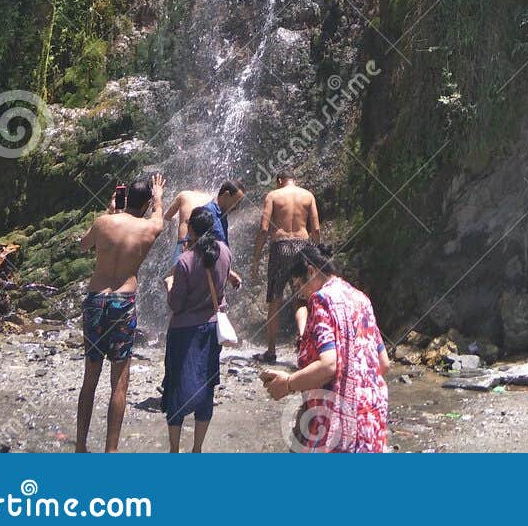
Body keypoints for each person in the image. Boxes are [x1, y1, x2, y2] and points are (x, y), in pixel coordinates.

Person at [261, 243, 389, 453]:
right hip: (371, 418)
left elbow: (329, 365)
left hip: (337, 422)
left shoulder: (322, 299)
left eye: (299, 286)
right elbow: (383, 363)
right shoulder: (361, 299)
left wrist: (288, 383)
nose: (302, 293)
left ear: (311, 271)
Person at [75, 172, 164, 453]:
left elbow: (82, 244)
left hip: (95, 300)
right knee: (119, 381)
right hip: (123, 303)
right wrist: (159, 197)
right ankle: (111, 452)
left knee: (90, 378)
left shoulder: (103, 223)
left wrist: (110, 211)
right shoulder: (149, 228)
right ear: (147, 203)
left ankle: (80, 446)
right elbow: (159, 216)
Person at [163, 207, 232, 452]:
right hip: (212, 328)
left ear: (190, 228)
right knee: (207, 385)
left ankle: (173, 450)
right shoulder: (225, 252)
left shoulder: (184, 261)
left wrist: (169, 286)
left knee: (176, 386)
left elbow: (176, 304)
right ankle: (197, 449)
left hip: (184, 332)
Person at [251, 172, 320, 362]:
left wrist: (256, 258)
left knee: (275, 299)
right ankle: (303, 342)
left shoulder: (273, 196)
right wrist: (317, 255)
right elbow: (316, 229)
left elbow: (264, 229)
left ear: (279, 181)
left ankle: (271, 351)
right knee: (301, 298)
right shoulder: (308, 196)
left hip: (280, 247)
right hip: (303, 246)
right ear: (294, 180)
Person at [164, 181, 245, 261]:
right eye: (236, 202)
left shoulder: (222, 217)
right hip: (192, 262)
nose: (237, 207)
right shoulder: (208, 212)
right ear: (226, 195)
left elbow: (167, 217)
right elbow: (189, 245)